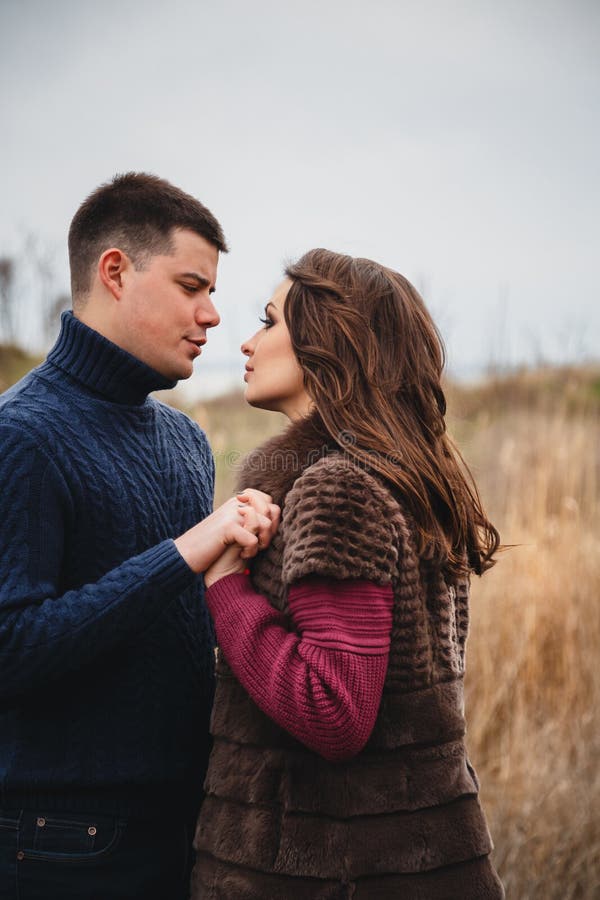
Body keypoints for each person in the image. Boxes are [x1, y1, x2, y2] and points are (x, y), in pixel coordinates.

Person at [191, 249, 505, 899]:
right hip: (409, 860)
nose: (246, 341)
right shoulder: (397, 476)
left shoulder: (338, 487)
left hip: (334, 869)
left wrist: (226, 585)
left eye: (268, 321)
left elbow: (334, 712)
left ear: (325, 345)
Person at [0, 172, 277, 900]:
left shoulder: (185, 439)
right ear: (115, 272)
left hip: (187, 821)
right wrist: (185, 552)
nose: (213, 315)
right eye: (192, 286)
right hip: (63, 842)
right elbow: (12, 649)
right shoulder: (20, 435)